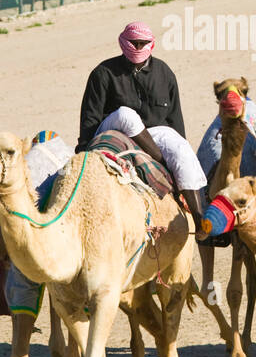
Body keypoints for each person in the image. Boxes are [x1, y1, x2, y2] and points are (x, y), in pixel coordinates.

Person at [78, 20, 208, 229]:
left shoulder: (164, 73)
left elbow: (175, 117)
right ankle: (164, 165)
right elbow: (90, 115)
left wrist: (178, 144)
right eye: (133, 43)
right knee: (127, 114)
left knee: (181, 147)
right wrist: (84, 148)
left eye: (142, 43)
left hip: (153, 133)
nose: (138, 47)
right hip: (114, 127)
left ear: (151, 44)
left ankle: (200, 218)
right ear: (123, 42)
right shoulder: (103, 73)